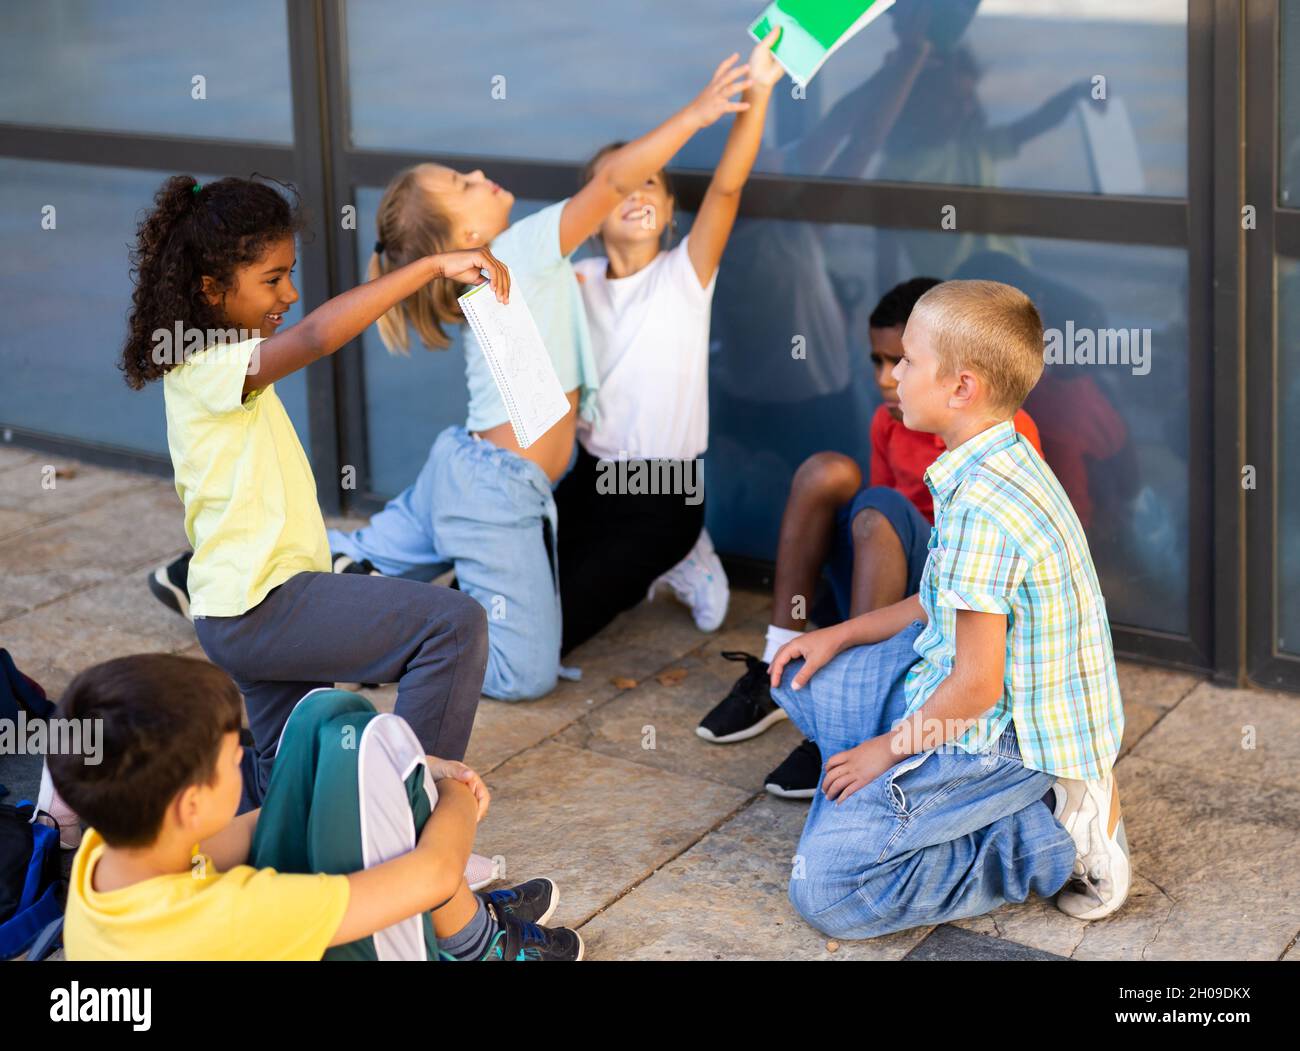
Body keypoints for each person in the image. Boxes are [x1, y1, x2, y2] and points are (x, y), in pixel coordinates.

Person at [325, 52, 758, 701]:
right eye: (462, 182)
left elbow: (658, 197)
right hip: (495, 490)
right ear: (467, 231)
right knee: (523, 668)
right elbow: (611, 183)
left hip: (472, 471)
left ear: (669, 213)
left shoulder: (519, 271)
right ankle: (386, 634)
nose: (477, 171)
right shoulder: (524, 252)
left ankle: (301, 579)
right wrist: (697, 113)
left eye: (652, 186)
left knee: (362, 556)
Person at [120, 174, 504, 804]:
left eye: (289, 273)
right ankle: (414, 825)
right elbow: (320, 336)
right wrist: (433, 265)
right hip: (260, 604)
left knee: (294, 784)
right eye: (272, 280)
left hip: (241, 610)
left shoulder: (219, 361)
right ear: (212, 291)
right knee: (452, 626)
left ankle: (272, 859)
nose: (290, 293)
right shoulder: (203, 366)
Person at [766, 279, 1128, 938]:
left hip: (1013, 740)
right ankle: (888, 808)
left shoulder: (986, 506)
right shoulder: (985, 458)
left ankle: (1054, 834)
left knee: (823, 889)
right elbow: (930, 604)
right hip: (962, 688)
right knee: (798, 678)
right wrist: (836, 635)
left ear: (962, 388)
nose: (891, 375)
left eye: (906, 361)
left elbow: (977, 686)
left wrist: (882, 751)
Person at [697, 278, 1043, 801]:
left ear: (953, 375)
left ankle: (845, 723)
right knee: (827, 472)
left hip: (950, 587)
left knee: (879, 505)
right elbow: (874, 525)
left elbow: (996, 557)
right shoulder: (889, 421)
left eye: (901, 361)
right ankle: (778, 664)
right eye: (879, 361)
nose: (887, 378)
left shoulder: (1003, 433)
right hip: (887, 574)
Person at [53, 655, 580, 960]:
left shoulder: (108, 852)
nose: (241, 751)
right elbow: (434, 873)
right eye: (227, 753)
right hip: (259, 931)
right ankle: (472, 944)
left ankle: (462, 928)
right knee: (371, 748)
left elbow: (258, 825)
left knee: (325, 718)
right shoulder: (225, 916)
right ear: (189, 804)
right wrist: (458, 794)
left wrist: (404, 776)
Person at [555, 29, 784, 654]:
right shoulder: (572, 280)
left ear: (672, 212)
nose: (637, 194)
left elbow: (728, 188)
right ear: (591, 212)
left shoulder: (685, 275)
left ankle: (685, 552)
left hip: (665, 494)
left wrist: (758, 92)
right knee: (508, 594)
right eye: (619, 187)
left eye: (651, 183)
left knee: (553, 636)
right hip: (593, 480)